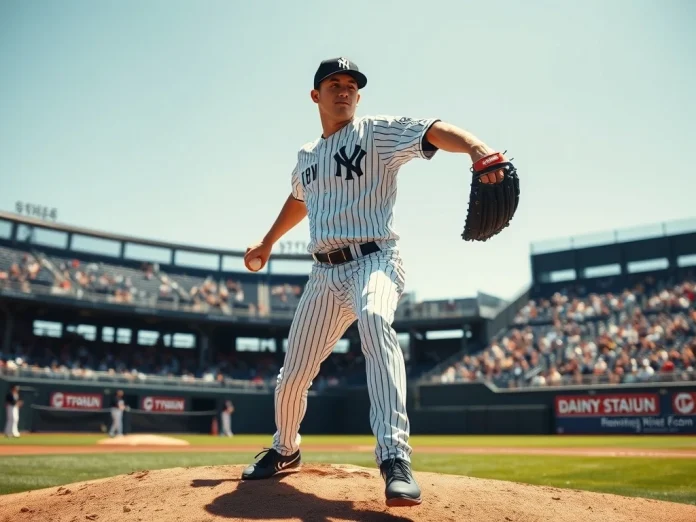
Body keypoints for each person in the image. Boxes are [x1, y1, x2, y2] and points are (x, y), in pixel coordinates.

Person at [240, 57, 507, 507]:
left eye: (351, 85)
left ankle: (395, 459)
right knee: (291, 378)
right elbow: (300, 196)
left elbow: (431, 130)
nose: (344, 90)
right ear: (315, 96)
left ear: (358, 96)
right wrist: (266, 244)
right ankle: (286, 449)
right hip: (324, 274)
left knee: (375, 318)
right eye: (333, 83)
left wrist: (477, 148)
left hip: (376, 259)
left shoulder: (376, 133)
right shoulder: (307, 156)